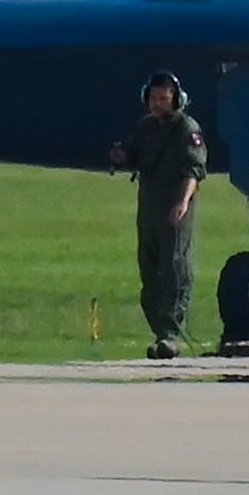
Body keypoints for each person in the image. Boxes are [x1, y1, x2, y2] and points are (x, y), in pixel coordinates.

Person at [106, 71, 207, 360]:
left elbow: (194, 170)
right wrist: (122, 156)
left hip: (175, 206)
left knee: (175, 267)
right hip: (150, 207)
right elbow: (136, 155)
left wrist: (183, 202)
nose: (158, 104)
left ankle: (171, 335)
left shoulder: (188, 129)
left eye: (164, 99)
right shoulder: (145, 127)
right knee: (149, 269)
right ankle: (159, 331)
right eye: (154, 98)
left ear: (176, 100)